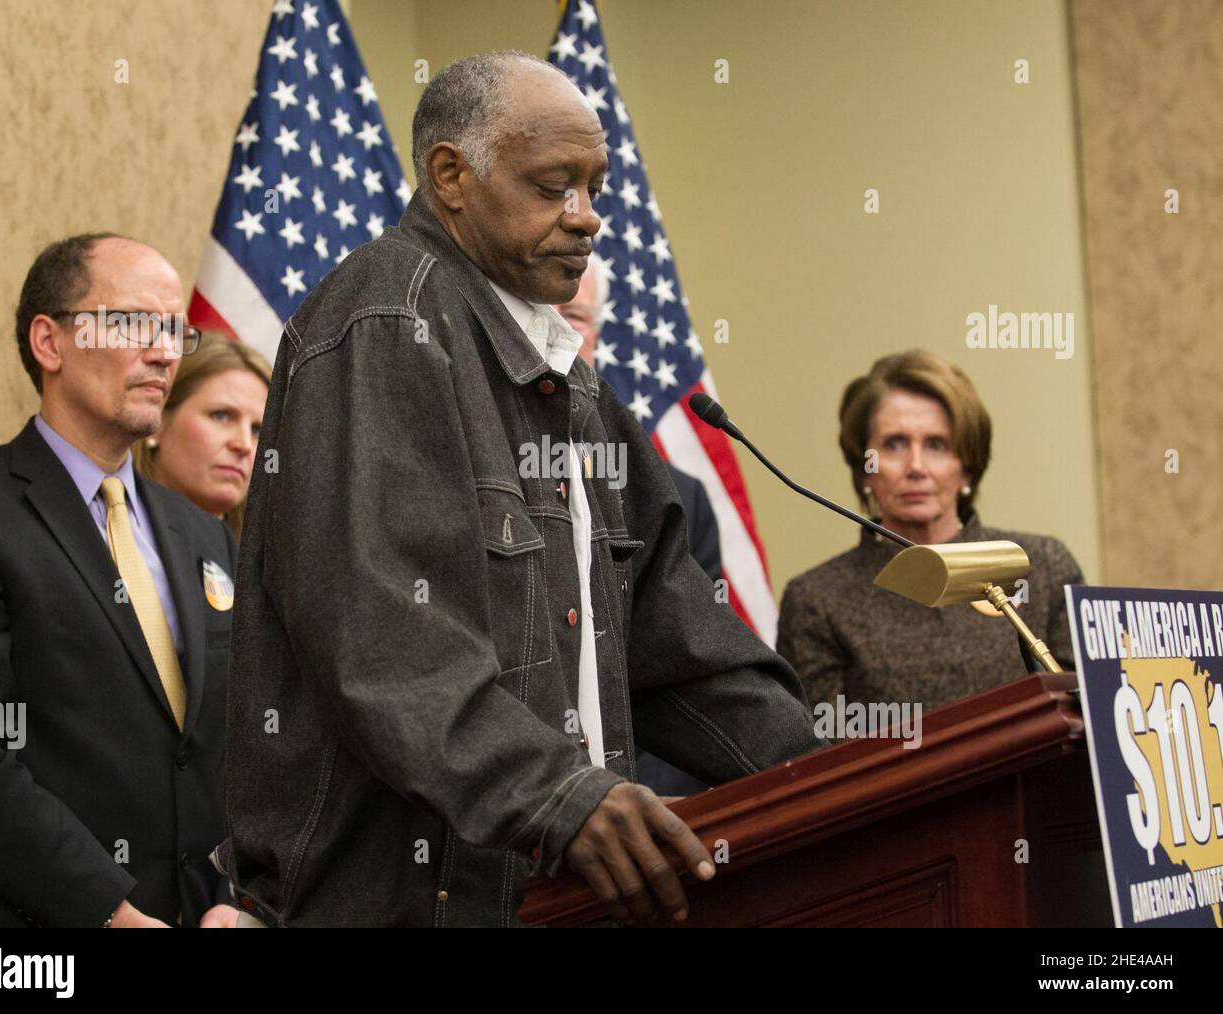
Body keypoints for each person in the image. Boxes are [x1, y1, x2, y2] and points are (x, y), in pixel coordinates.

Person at [226, 51, 821, 928]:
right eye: (552, 186)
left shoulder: (571, 384)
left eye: (594, 188)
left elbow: (676, 644)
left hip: (547, 898)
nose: (585, 218)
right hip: (406, 902)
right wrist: (555, 796)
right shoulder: (387, 320)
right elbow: (385, 634)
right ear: (450, 176)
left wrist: (833, 769)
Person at [0, 234, 239, 927]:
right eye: (135, 324)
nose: (165, 353)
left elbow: (231, 742)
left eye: (174, 332)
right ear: (50, 342)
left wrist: (232, 896)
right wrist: (111, 914)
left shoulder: (203, 533)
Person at [776, 349, 1083, 715]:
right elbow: (820, 756)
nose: (916, 467)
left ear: (967, 467)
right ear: (864, 470)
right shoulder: (816, 601)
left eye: (936, 445)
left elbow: (1086, 717)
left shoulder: (1042, 566)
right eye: (894, 445)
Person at [557, 252, 716, 797]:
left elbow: (694, 668)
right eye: (538, 311)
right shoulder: (460, 468)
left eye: (573, 318)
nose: (555, 330)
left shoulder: (676, 497)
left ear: (596, 339)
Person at [134, 332, 270, 540]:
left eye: (257, 430)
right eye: (221, 416)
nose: (244, 445)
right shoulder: (106, 533)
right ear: (157, 421)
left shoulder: (270, 566)